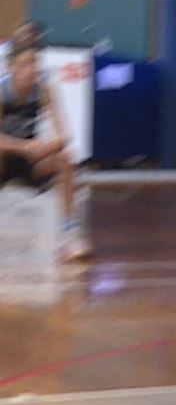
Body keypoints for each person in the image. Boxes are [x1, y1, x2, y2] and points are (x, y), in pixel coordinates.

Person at [0, 42, 90, 262]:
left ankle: (71, 236)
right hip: (5, 158)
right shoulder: (2, 92)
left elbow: (64, 135)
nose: (31, 69)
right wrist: (23, 147)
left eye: (34, 63)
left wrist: (44, 146)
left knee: (65, 159)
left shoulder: (43, 89)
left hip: (29, 160)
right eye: (24, 64)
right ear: (10, 67)